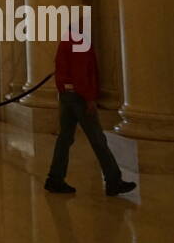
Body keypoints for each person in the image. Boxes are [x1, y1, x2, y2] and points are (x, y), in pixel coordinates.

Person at [45, 15, 136, 197]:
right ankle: (113, 180)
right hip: (79, 97)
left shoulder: (66, 40)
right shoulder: (78, 42)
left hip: (67, 96)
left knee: (65, 138)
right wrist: (89, 98)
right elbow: (81, 74)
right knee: (97, 139)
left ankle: (55, 178)